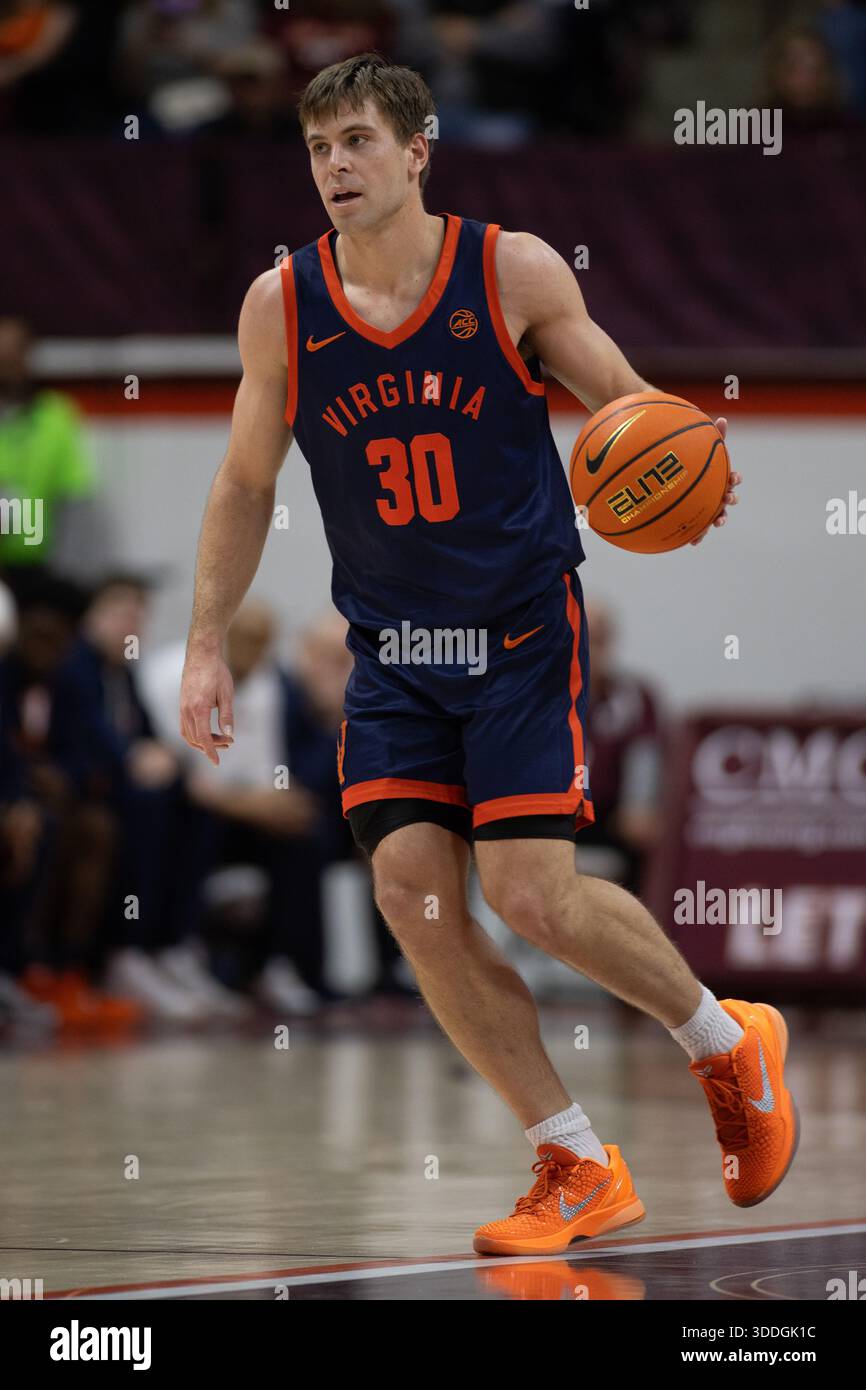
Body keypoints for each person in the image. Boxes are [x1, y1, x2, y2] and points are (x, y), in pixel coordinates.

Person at [179, 54, 797, 1257]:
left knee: (528, 895)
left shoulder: (507, 270)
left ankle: (728, 1046)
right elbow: (246, 480)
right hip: (393, 648)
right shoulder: (282, 304)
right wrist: (206, 639)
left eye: (357, 141)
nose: (335, 168)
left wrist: (681, 469)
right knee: (412, 893)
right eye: (316, 150)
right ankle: (570, 1158)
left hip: (517, 631)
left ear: (418, 151)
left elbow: (625, 406)